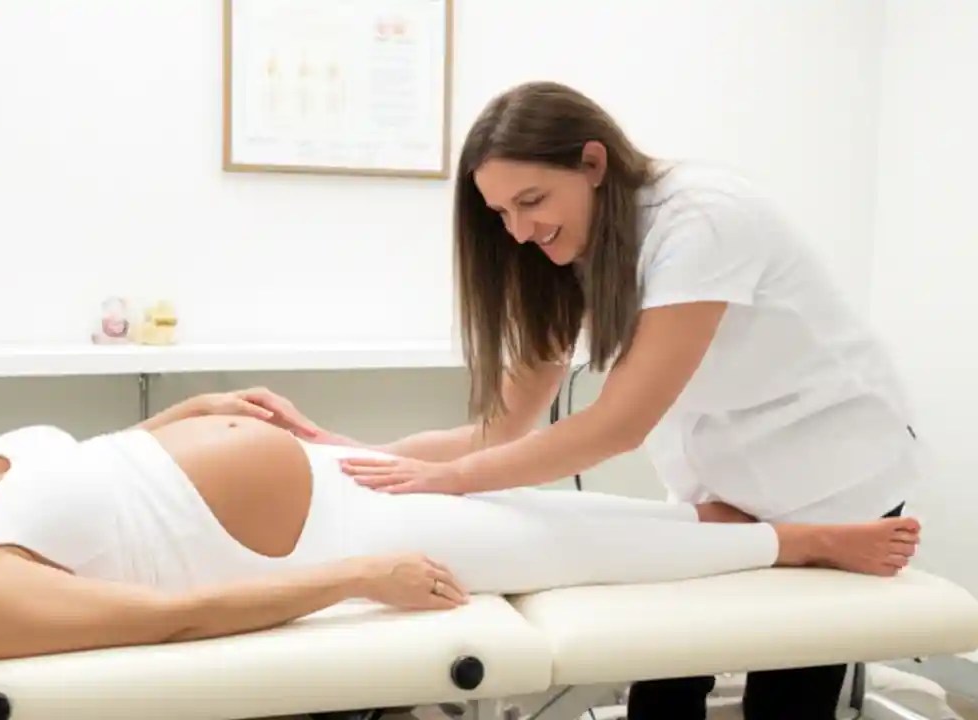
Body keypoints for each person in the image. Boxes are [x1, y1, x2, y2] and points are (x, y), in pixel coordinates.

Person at [327, 81, 928, 720]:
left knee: (786, 695)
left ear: (592, 163)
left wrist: (449, 480)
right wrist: (361, 459)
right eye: (501, 213)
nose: (520, 231)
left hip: (833, 465)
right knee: (666, 674)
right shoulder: (563, 251)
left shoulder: (702, 220)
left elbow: (617, 426)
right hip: (721, 475)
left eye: (531, 201)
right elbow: (499, 429)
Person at [0, 386, 918, 667]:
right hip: (298, 543)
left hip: (330, 470)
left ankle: (716, 521)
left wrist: (203, 408)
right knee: (580, 544)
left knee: (558, 492)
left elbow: (92, 462)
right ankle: (806, 543)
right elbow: (171, 614)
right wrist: (356, 576)